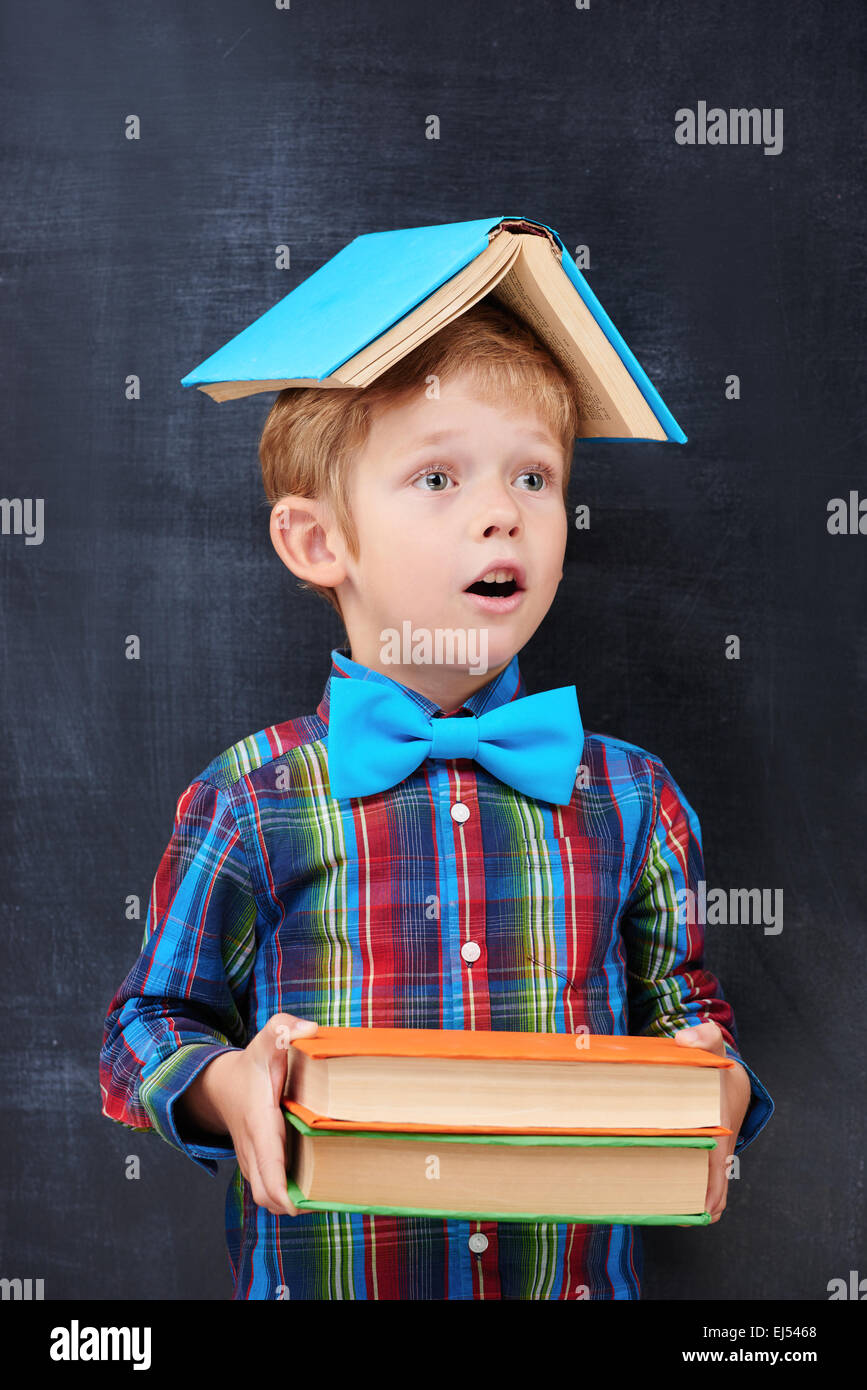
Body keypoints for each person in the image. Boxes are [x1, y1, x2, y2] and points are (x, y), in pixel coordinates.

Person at [99, 300, 773, 1299]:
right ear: (319, 540)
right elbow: (146, 1025)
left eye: (533, 477)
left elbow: (689, 1016)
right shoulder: (253, 796)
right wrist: (226, 1081)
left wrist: (716, 1082)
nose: (502, 511)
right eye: (438, 477)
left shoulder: (635, 798)